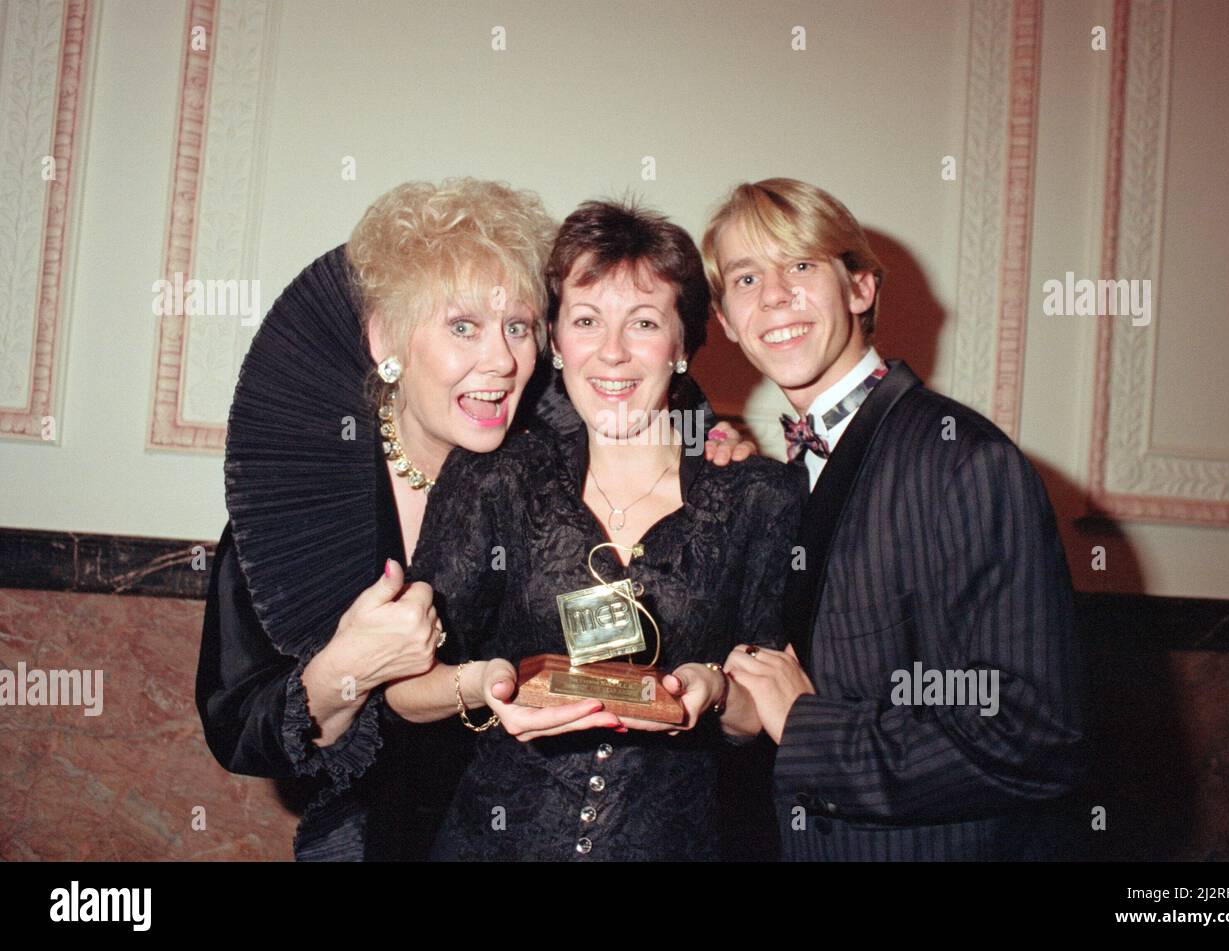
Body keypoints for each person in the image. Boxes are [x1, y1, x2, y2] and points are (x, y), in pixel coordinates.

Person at [195, 180, 750, 861]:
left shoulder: (549, 450)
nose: (502, 361)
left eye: (518, 325)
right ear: (385, 337)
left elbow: (649, 374)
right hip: (384, 832)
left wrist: (711, 441)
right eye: (463, 327)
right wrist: (350, 667)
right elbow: (238, 725)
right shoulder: (302, 500)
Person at [390, 199, 806, 861]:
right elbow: (406, 690)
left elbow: (762, 708)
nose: (611, 352)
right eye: (586, 320)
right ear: (557, 341)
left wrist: (712, 691)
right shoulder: (494, 478)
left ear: (683, 345)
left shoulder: (760, 497)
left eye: (643, 322)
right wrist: (489, 681)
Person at [704, 178, 1085, 860]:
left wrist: (804, 725)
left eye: (800, 265)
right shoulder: (776, 477)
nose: (774, 296)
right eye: (746, 277)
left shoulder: (966, 462)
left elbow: (1034, 737)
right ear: (727, 321)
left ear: (859, 288)